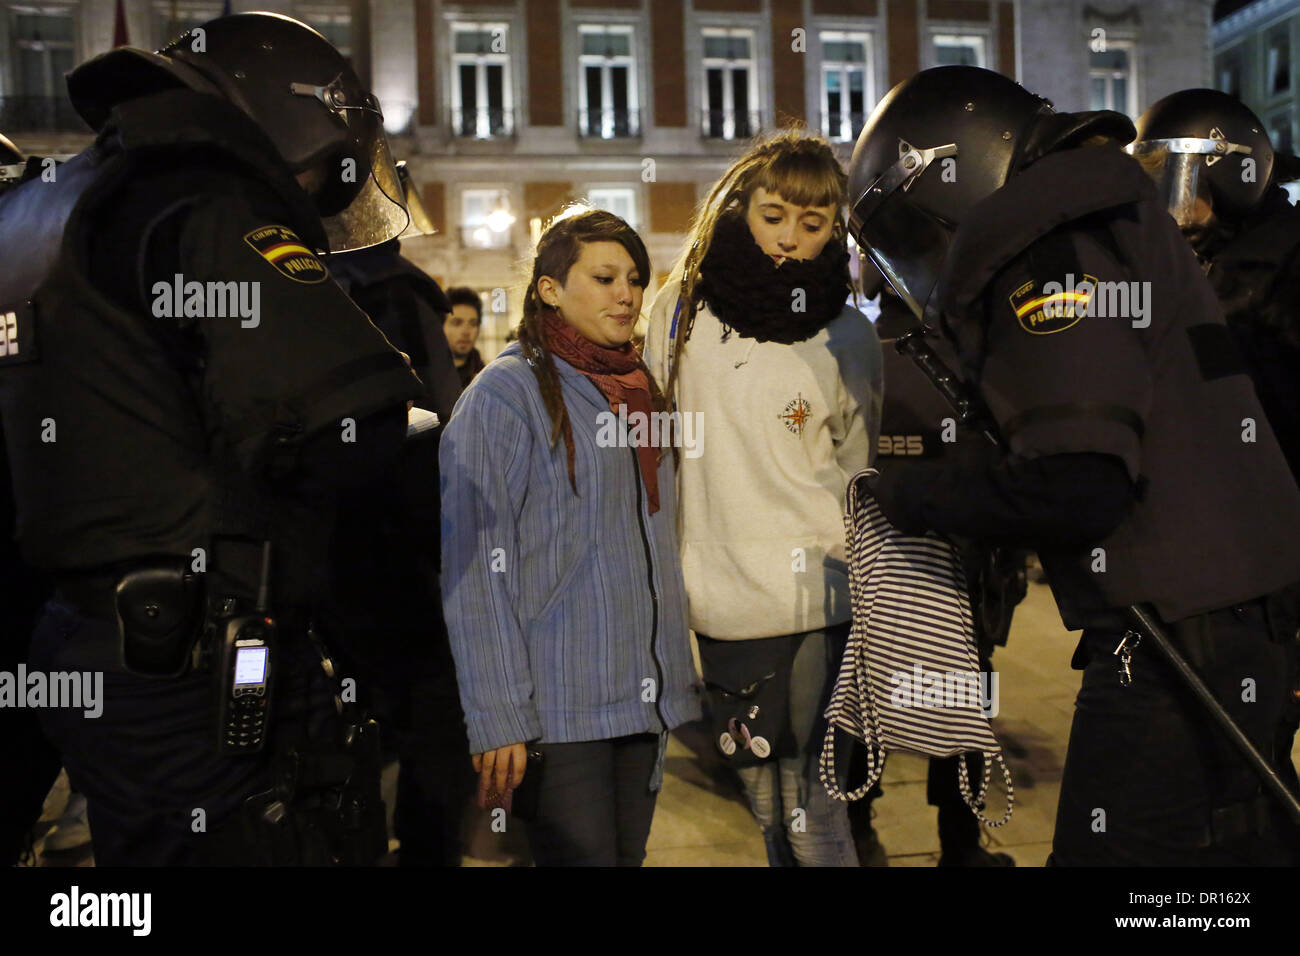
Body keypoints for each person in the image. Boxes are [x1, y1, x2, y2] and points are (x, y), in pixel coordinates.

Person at [846, 65, 1300, 866]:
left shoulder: (1047, 253)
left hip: (1175, 631)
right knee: (1225, 854)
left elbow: (1076, 481)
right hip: (1223, 611)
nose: (922, 261)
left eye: (915, 235)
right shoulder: (1097, 221)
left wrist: (912, 496)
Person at [0, 13, 425, 865]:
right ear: (299, 117)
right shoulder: (205, 191)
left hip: (84, 639)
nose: (315, 194)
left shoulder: (51, 204)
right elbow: (346, 424)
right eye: (322, 171)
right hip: (199, 665)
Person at [643, 131, 883, 867]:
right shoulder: (679, 312)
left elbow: (857, 472)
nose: (790, 238)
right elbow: (657, 454)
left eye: (813, 226)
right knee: (766, 806)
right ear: (741, 206)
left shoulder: (847, 333)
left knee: (814, 808)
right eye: (775, 214)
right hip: (716, 604)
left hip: (820, 598)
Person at [440, 208, 700, 866]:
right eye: (605, 277)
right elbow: (474, 571)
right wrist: (498, 713)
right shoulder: (504, 394)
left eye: (636, 279)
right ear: (550, 288)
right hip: (559, 707)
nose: (627, 294)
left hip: (643, 698)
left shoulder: (643, 390)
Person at [323, 215, 474, 866]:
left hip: (358, 564)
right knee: (422, 732)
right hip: (398, 564)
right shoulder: (395, 291)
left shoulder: (373, 290)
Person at [872, 283, 1021, 867]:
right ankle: (956, 846)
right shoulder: (967, 344)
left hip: (891, 557)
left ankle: (870, 833)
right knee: (962, 705)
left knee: (870, 695)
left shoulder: (863, 345)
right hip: (958, 558)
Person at [1130, 89, 1300, 484]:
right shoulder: (1192, 263)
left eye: (1175, 185)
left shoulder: (1288, 263)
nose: (1168, 211)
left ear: (1229, 177)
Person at [444, 286, 486, 388]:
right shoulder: (424, 377)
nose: (466, 332)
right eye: (457, 323)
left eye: (473, 323)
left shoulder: (486, 378)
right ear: (441, 326)